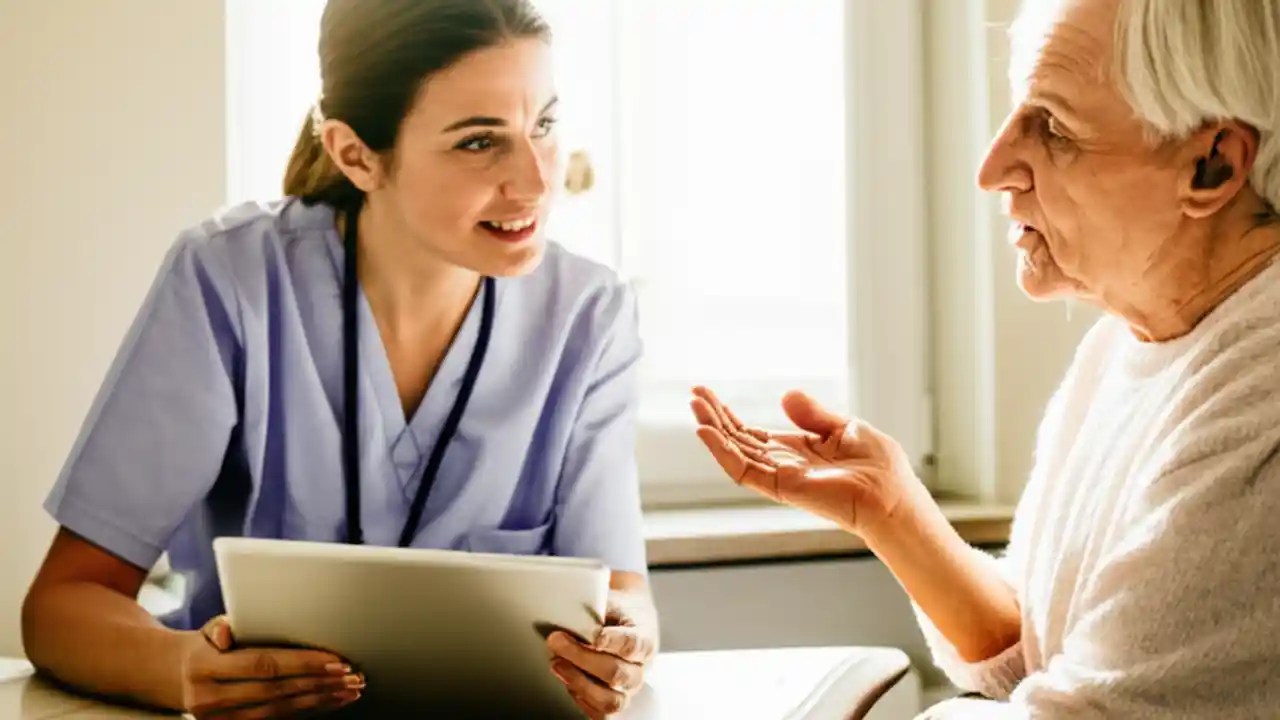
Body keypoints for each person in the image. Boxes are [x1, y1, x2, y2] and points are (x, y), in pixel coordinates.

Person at [20, 1, 656, 718]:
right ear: (356, 154)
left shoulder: (589, 315)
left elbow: (624, 596)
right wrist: (178, 668)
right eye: (480, 143)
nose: (538, 181)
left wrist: (624, 649)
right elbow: (64, 605)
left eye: (542, 125)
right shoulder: (231, 282)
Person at [692, 0, 1280, 716]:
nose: (993, 167)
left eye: (1055, 128)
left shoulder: (1262, 397)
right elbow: (1047, 660)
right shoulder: (1127, 344)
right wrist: (895, 513)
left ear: (1213, 164)